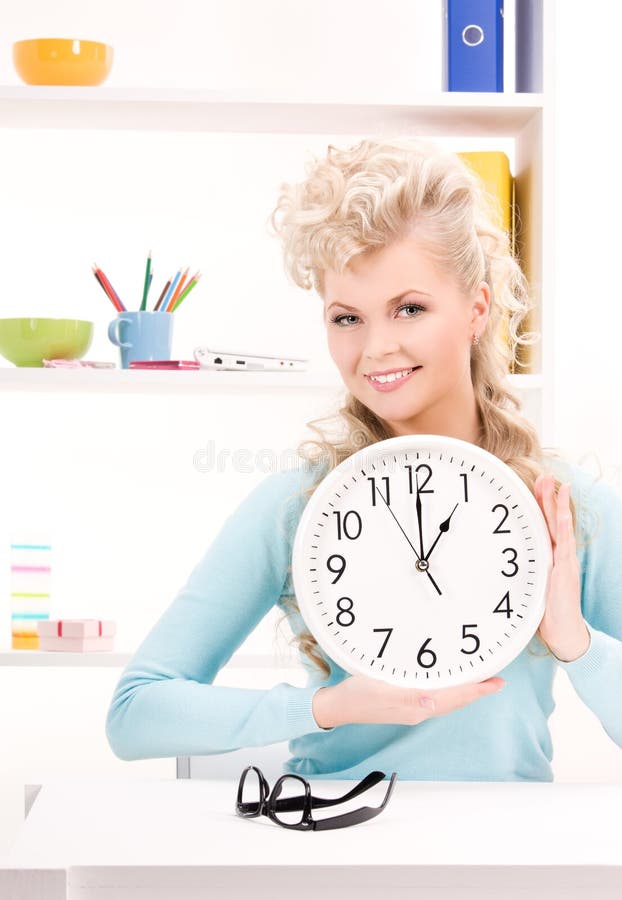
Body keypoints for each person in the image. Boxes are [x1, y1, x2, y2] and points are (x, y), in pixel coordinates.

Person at [106, 138, 622, 781]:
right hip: (334, 849)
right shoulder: (299, 507)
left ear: (476, 308)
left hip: (504, 859)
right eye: (347, 318)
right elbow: (134, 714)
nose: (376, 348)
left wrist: (576, 644)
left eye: (409, 308)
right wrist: (323, 708)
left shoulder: (561, 509)